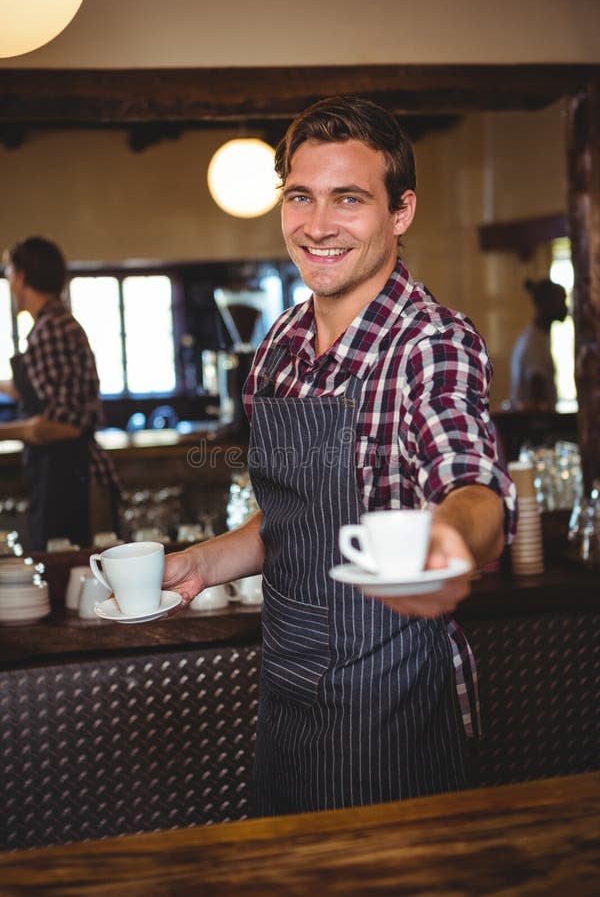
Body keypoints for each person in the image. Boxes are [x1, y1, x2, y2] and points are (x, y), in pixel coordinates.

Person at [163, 97, 517, 815]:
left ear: (401, 212)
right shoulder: (279, 347)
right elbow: (295, 520)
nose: (318, 226)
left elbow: (474, 485)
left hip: (394, 703)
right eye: (301, 196)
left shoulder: (431, 343)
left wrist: (448, 541)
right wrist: (202, 562)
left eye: (348, 199)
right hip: (287, 697)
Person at [0, 236, 120, 551]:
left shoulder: (51, 329)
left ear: (22, 276)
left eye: (9, 272)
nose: (8, 280)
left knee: (70, 574)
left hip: (71, 478)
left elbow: (64, 423)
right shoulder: (53, 325)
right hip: (61, 475)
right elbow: (41, 393)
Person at [509, 277, 568, 412]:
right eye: (562, 300)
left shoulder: (538, 337)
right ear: (546, 303)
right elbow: (537, 404)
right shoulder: (534, 344)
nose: (566, 307)